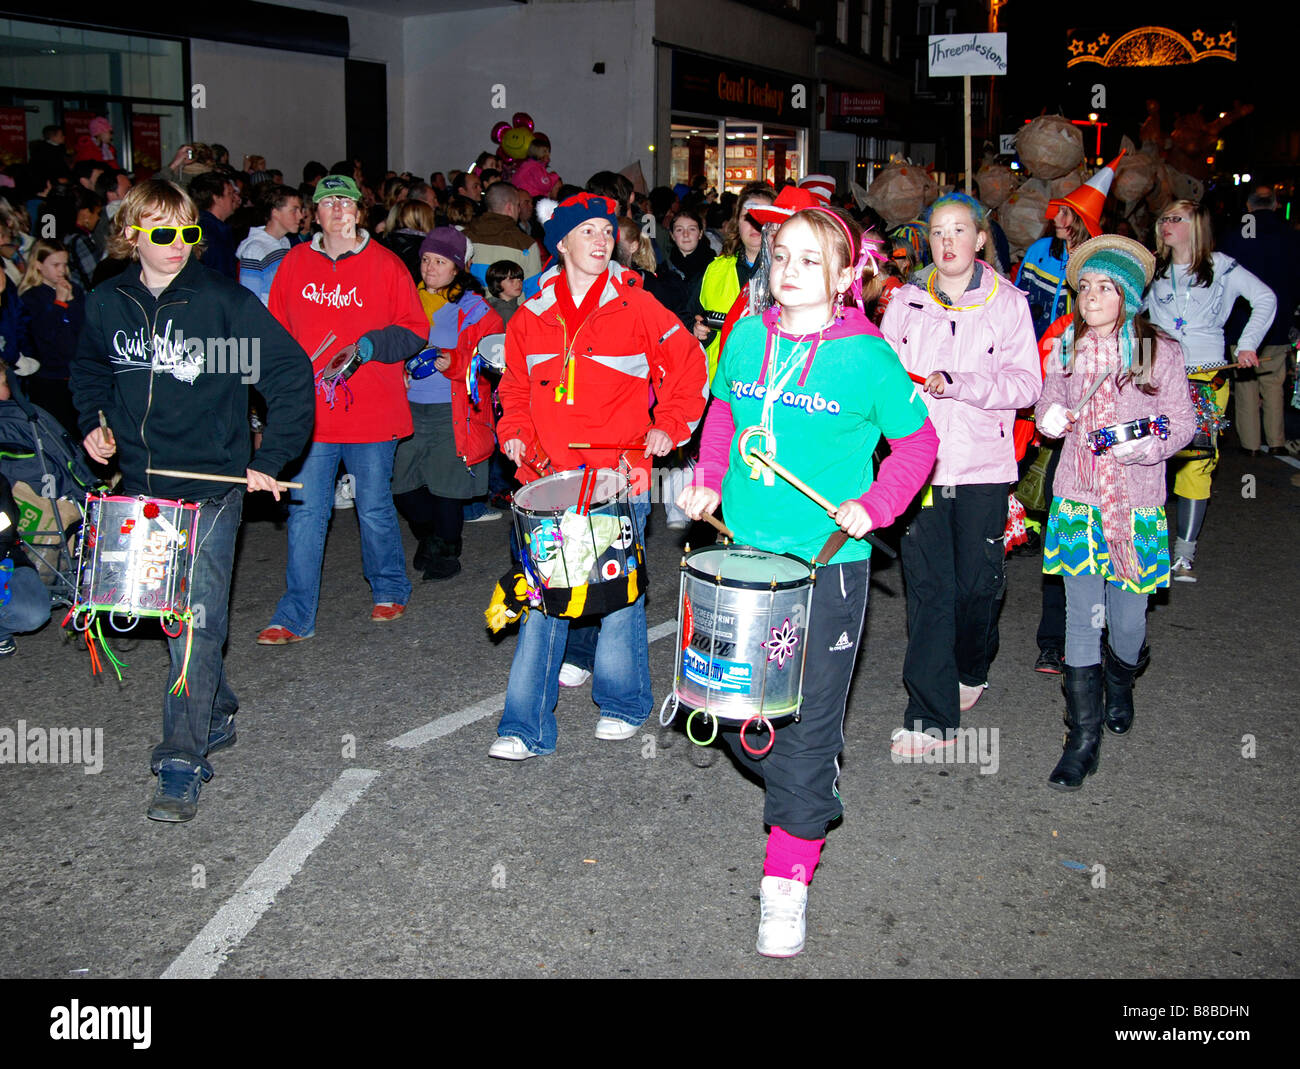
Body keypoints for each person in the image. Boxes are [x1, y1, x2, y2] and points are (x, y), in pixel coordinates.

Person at [677, 199, 937, 957]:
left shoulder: (865, 353)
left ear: (843, 274)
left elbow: (919, 445)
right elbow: (723, 415)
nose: (788, 271)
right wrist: (708, 476)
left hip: (827, 569)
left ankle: (785, 884)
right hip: (745, 559)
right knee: (732, 712)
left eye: (808, 260)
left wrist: (876, 503)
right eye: (779, 256)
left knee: (809, 722)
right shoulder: (748, 331)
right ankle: (811, 790)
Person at [70, 179, 314, 821]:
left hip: (211, 485)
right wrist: (95, 424)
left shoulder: (222, 303)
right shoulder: (105, 302)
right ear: (132, 236)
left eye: (186, 232)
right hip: (143, 486)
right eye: (161, 232)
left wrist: (267, 460)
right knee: (163, 614)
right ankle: (217, 704)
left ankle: (181, 758)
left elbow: (290, 376)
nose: (177, 245)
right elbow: (90, 373)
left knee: (193, 618)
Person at [491, 192, 708, 760]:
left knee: (614, 599)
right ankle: (523, 726)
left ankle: (623, 704)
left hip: (620, 475)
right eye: (586, 231)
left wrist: (670, 425)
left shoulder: (636, 305)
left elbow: (689, 363)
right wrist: (512, 429)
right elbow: (513, 388)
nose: (600, 240)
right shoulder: (532, 313)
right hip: (548, 481)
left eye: (606, 231)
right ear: (560, 243)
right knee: (542, 602)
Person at [879, 191, 1041, 758]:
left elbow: (1027, 385)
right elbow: (881, 378)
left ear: (979, 240)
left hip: (983, 466)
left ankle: (974, 664)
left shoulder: (1009, 303)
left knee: (978, 586)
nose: (947, 242)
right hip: (917, 467)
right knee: (928, 588)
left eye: (959, 231)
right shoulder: (904, 302)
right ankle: (929, 715)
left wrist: (963, 384)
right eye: (938, 232)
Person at [1035, 236, 1197, 789]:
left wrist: (1146, 447)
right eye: (1084, 287)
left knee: (1126, 622)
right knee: (1084, 620)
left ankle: (1122, 679)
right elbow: (1045, 399)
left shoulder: (1159, 351)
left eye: (1105, 287)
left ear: (1127, 294)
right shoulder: (1065, 347)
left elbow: (1183, 420)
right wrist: (1049, 416)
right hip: (1079, 498)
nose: (1091, 297)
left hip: (1137, 505)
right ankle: (1081, 740)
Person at [257, 174, 427, 644]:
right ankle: (294, 615)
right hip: (311, 416)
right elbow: (275, 334)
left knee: (373, 507)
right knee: (306, 512)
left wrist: (368, 346)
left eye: (346, 201)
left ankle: (390, 587)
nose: (337, 209)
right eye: (327, 201)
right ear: (314, 212)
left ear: (359, 211)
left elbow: (415, 330)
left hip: (371, 411)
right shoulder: (293, 264)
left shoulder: (387, 264)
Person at [1144, 199, 1276, 582]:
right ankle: (1143, 544)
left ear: (1196, 225)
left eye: (1176, 219)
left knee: (1196, 463)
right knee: (1147, 459)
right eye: (1163, 217)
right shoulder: (1155, 268)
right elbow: (1136, 316)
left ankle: (1183, 555)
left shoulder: (1222, 266)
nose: (1166, 224)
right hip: (1159, 377)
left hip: (1206, 378)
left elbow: (1265, 298)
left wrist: (1248, 343)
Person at [391, 227, 500, 581]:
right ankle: (433, 538)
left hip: (451, 409)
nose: (430, 268)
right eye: (425, 260)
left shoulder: (473, 309)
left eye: (440, 261)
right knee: (402, 486)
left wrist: (452, 361)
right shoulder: (405, 300)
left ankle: (446, 550)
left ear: (457, 268)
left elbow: (492, 357)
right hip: (407, 407)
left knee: (446, 488)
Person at [1219, 185, 1298, 457]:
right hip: (1278, 321)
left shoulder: (1235, 236)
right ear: (1275, 205)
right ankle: (1276, 440)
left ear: (1249, 207)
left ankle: (1251, 444)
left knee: (1245, 384)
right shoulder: (1291, 236)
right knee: (1274, 382)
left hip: (1241, 322)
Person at [690, 182, 776, 383]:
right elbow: (687, 315)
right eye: (748, 215)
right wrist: (695, 329)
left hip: (770, 385)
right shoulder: (715, 269)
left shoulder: (791, 274)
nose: (755, 223)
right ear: (737, 222)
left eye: (763, 216)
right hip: (719, 384)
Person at [17, 240, 84, 439]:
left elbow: (83, 330)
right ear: (38, 265)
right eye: (55, 265)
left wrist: (71, 303)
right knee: (58, 434)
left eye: (64, 264)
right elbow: (44, 336)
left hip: (76, 374)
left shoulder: (75, 290)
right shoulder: (31, 297)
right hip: (49, 379)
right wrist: (60, 304)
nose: (62, 270)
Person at [236, 184, 305, 306]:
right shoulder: (255, 250)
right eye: (294, 210)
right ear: (275, 213)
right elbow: (250, 301)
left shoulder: (284, 242)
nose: (300, 216)